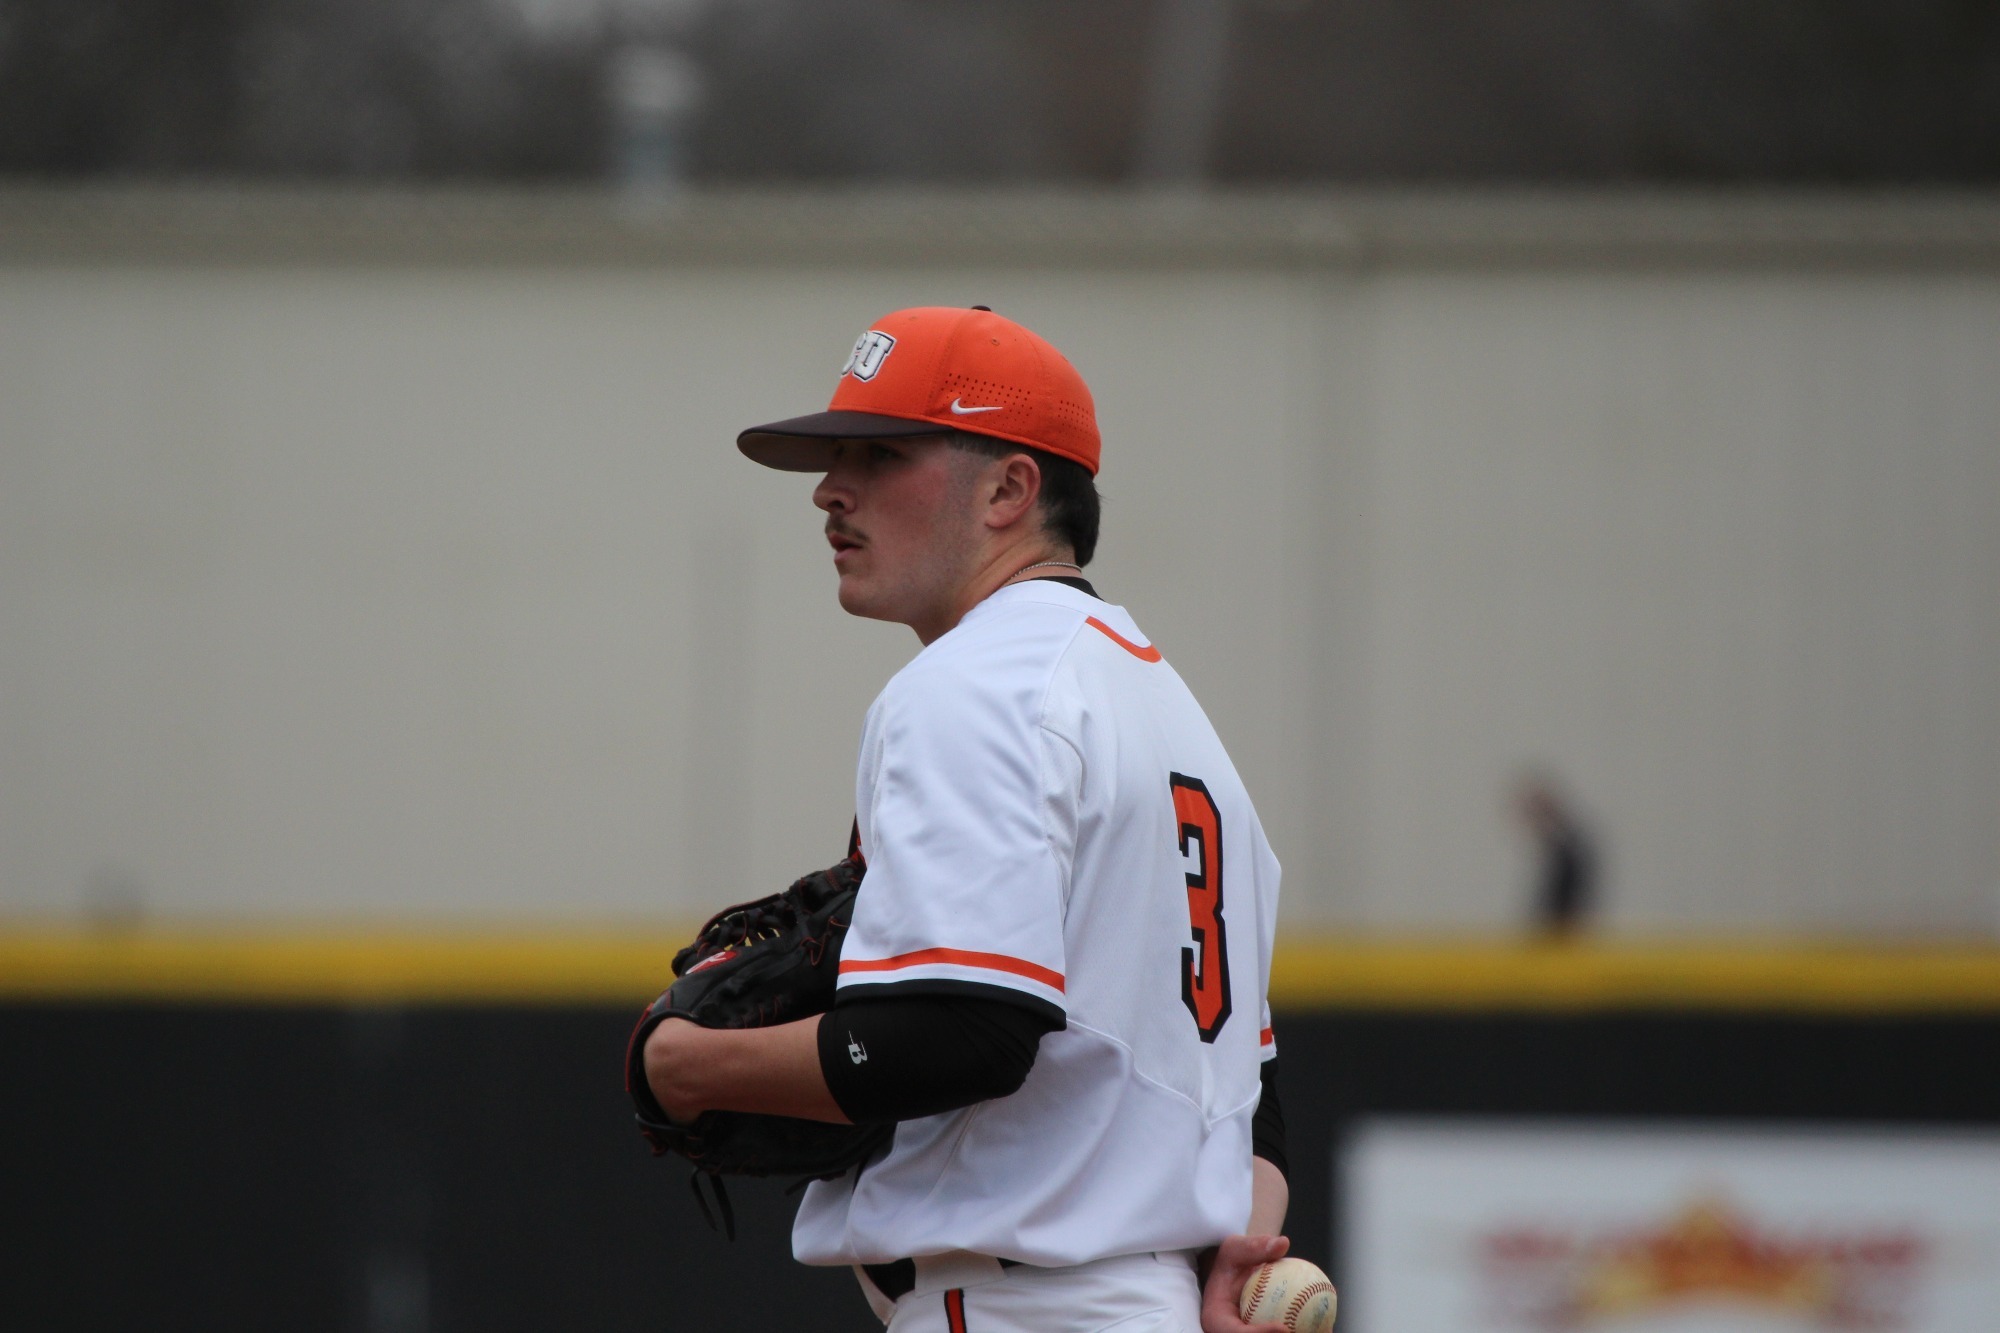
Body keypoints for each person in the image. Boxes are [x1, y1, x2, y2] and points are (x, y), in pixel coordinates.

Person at [643, 305, 1293, 1333]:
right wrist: (1232, 1249)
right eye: (831, 455)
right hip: (1138, 1297)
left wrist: (680, 1064)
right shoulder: (1172, 720)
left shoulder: (979, 683)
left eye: (879, 452)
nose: (828, 489)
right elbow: (1250, 1104)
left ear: (1009, 488)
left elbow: (967, 1034)